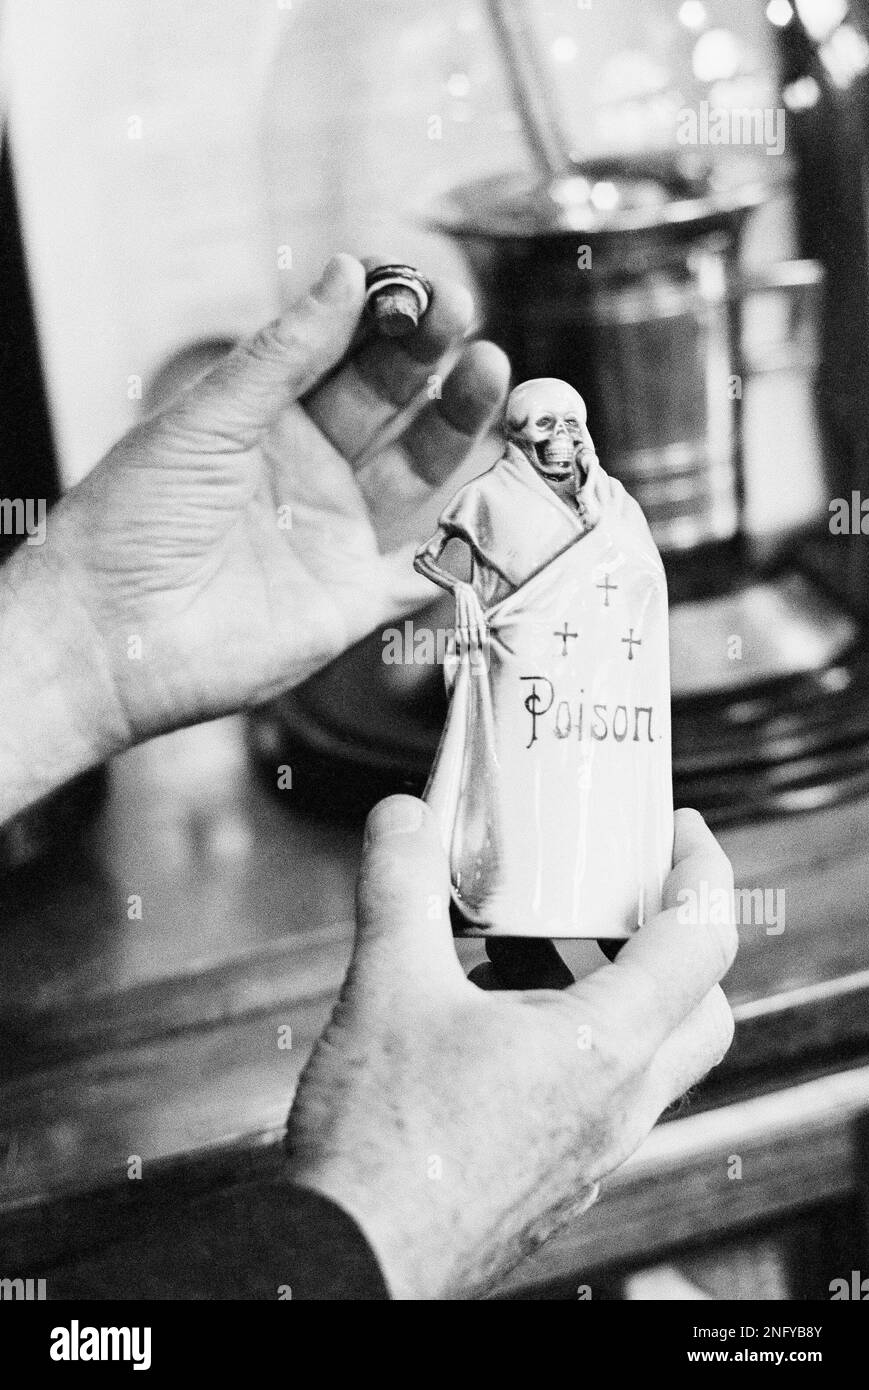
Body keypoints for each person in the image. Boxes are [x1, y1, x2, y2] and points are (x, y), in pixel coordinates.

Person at [0, 255, 737, 1299]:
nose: (561, 446)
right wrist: (400, 1212)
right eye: (539, 435)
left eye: (567, 430)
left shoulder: (611, 513)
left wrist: (69, 640)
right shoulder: (494, 505)